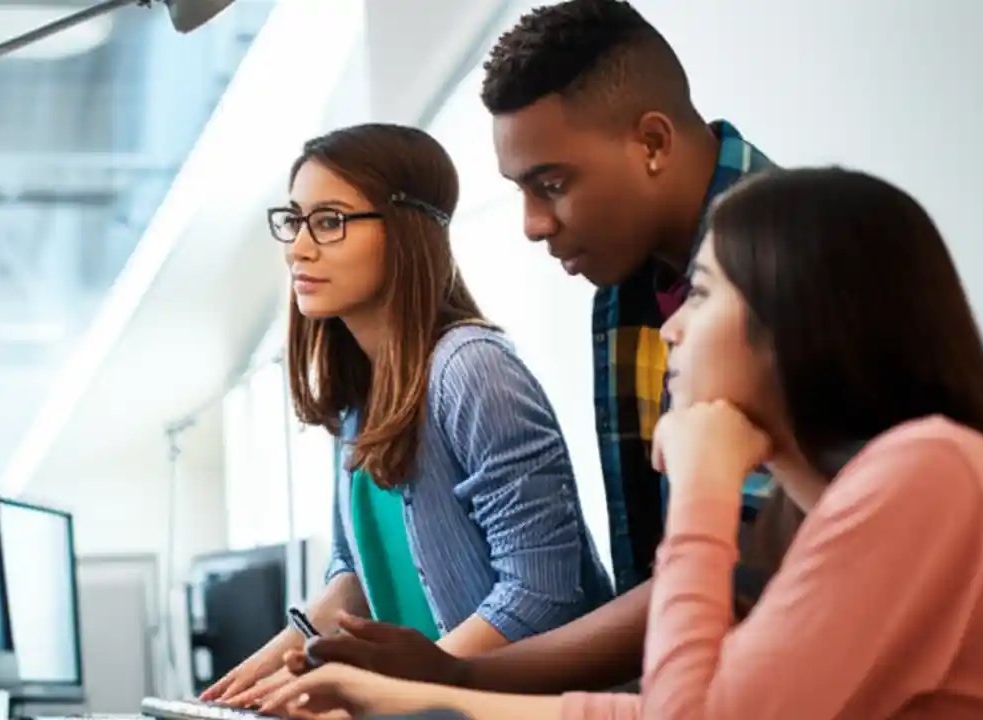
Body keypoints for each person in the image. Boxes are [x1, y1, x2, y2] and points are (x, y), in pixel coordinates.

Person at [261, 166, 983, 719]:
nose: (672, 328)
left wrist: (703, 488)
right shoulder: (852, 500)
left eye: (700, 295)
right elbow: (668, 708)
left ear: (796, 317)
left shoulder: (926, 470)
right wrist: (406, 699)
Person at [283, 0, 778, 693]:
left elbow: (732, 573)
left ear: (654, 144)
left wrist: (446, 679)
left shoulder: (785, 267)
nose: (533, 225)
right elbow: (668, 584)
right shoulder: (629, 289)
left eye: (552, 184)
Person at [201, 123, 613, 707]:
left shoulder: (471, 369)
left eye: (330, 221)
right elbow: (353, 574)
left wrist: (394, 686)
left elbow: (542, 592)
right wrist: (250, 682)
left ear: (405, 231)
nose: (298, 245)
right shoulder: (360, 394)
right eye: (294, 221)